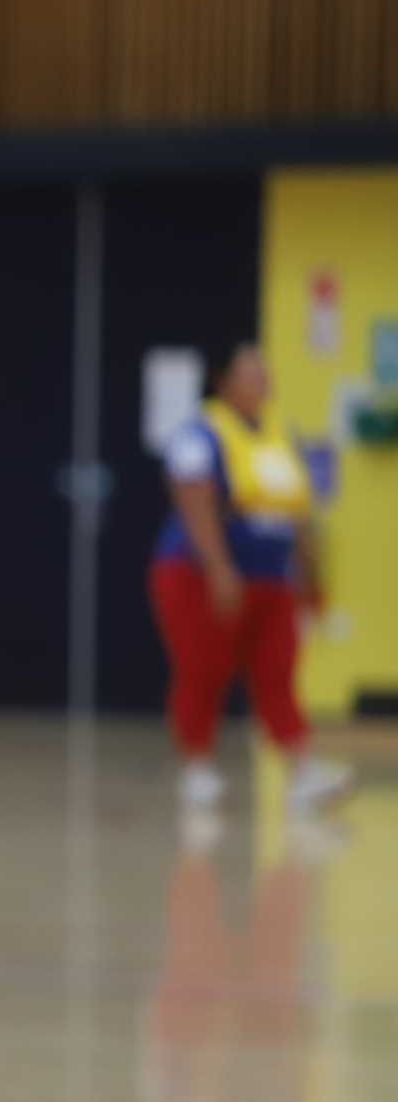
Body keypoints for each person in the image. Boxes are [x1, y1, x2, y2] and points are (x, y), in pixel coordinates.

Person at [149, 342, 352, 814]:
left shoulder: (283, 435)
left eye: (265, 372)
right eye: (250, 373)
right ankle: (197, 766)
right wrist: (219, 567)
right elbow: (195, 502)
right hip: (200, 576)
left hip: (271, 580)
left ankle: (302, 770)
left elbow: (300, 515)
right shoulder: (200, 434)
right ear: (224, 382)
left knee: (277, 670)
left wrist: (311, 576)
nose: (262, 380)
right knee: (203, 668)